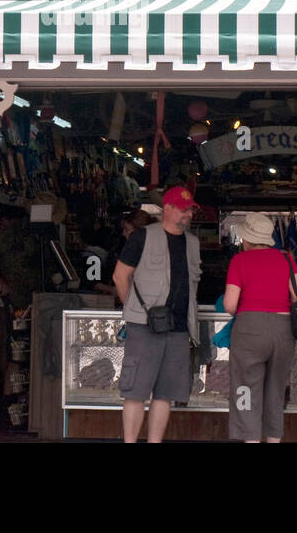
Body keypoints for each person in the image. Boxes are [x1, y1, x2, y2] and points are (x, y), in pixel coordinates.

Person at [112, 186, 201, 443]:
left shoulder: (193, 244)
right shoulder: (142, 237)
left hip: (178, 328)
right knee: (136, 392)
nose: (188, 215)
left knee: (165, 394)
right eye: (183, 210)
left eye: (190, 210)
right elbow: (120, 276)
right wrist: (135, 311)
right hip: (144, 327)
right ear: (168, 209)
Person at [222, 212, 297, 443]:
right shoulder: (286, 259)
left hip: (250, 328)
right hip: (283, 330)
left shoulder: (239, 261)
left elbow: (230, 304)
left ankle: (250, 440)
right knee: (276, 390)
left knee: (246, 388)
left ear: (246, 238)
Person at [0, 209, 42, 308]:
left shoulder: (22, 233)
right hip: (12, 294)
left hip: (23, 293)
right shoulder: (12, 233)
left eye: (3, 224)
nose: (2, 228)